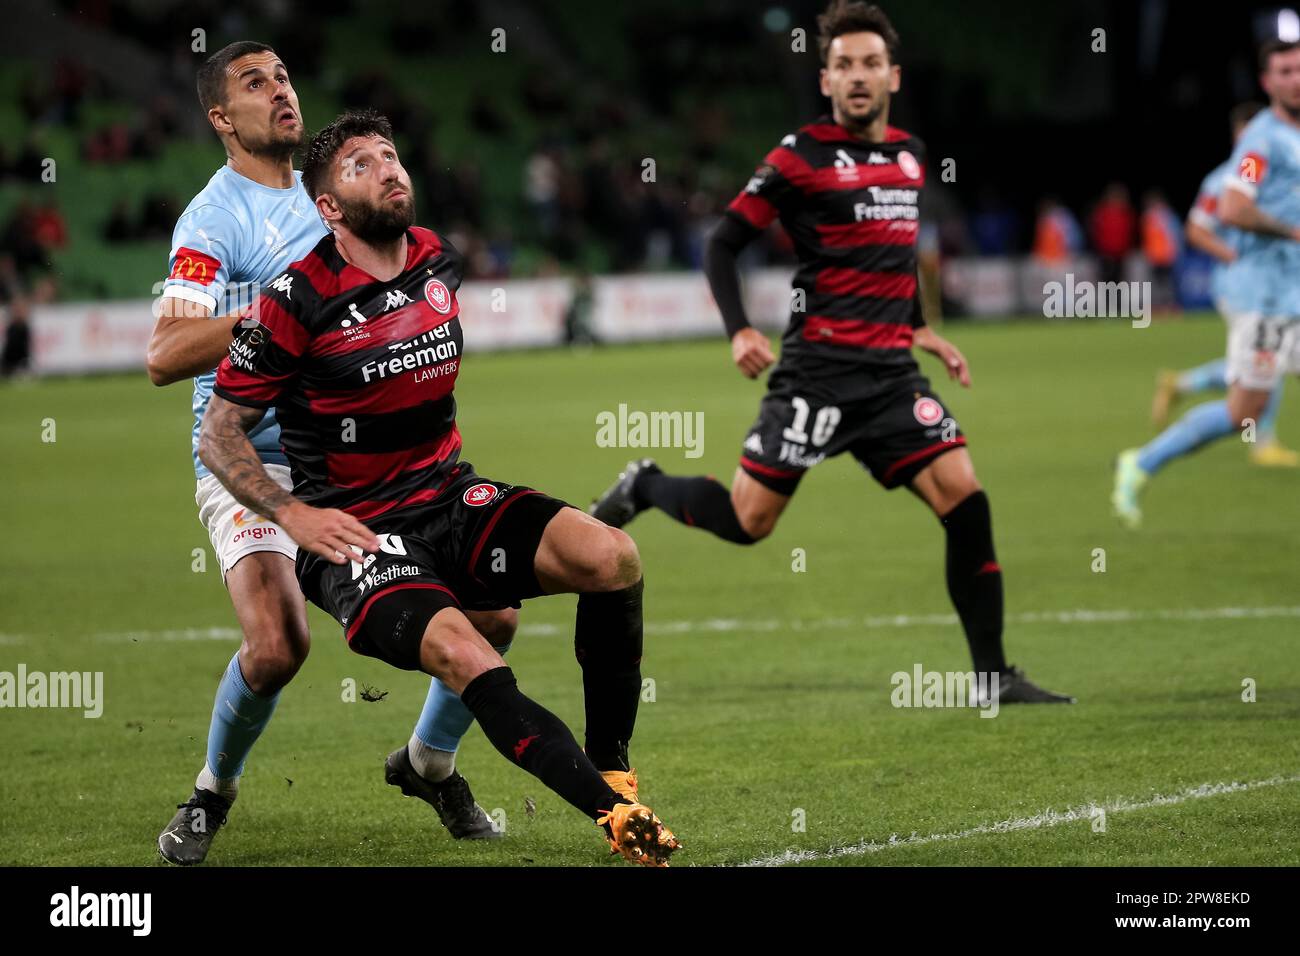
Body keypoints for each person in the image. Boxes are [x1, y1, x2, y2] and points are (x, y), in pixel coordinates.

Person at [200, 109, 679, 866]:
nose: (390, 170)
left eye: (392, 156)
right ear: (326, 206)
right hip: (361, 536)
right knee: (469, 653)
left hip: (449, 497)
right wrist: (293, 514)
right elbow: (219, 432)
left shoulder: (434, 257)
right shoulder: (294, 299)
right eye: (362, 164)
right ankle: (612, 813)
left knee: (613, 557)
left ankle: (612, 764)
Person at [590, 0, 1071, 704]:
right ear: (825, 81)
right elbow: (723, 242)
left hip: (891, 378)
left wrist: (920, 326)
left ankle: (992, 676)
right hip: (816, 375)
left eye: (869, 63)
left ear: (893, 76)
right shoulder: (799, 156)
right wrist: (740, 330)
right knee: (751, 522)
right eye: (842, 65)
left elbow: (897, 253)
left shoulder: (908, 157)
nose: (856, 76)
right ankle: (646, 486)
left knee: (964, 497)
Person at [148, 42, 512, 866]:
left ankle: (428, 764)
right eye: (253, 82)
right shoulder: (214, 221)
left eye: (282, 75)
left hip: (370, 458)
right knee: (278, 646)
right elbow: (165, 352)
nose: (279, 90)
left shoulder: (332, 197)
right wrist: (277, 315)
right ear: (220, 119)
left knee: (493, 609)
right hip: (258, 458)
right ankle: (212, 792)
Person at [1114, 41, 1300, 527]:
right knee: (1243, 415)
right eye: (1285, 71)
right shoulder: (1259, 144)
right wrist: (1290, 232)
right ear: (1267, 82)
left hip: (1290, 295)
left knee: (1249, 410)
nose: (1296, 78)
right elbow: (1234, 208)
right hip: (1267, 303)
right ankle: (1141, 461)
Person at [1149, 102, 1295, 466]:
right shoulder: (1224, 180)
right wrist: (1231, 254)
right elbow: (1197, 229)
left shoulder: (1282, 171)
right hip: (1245, 290)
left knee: (1259, 366)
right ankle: (1260, 441)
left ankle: (1182, 385)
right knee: (1262, 364)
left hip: (1278, 289)